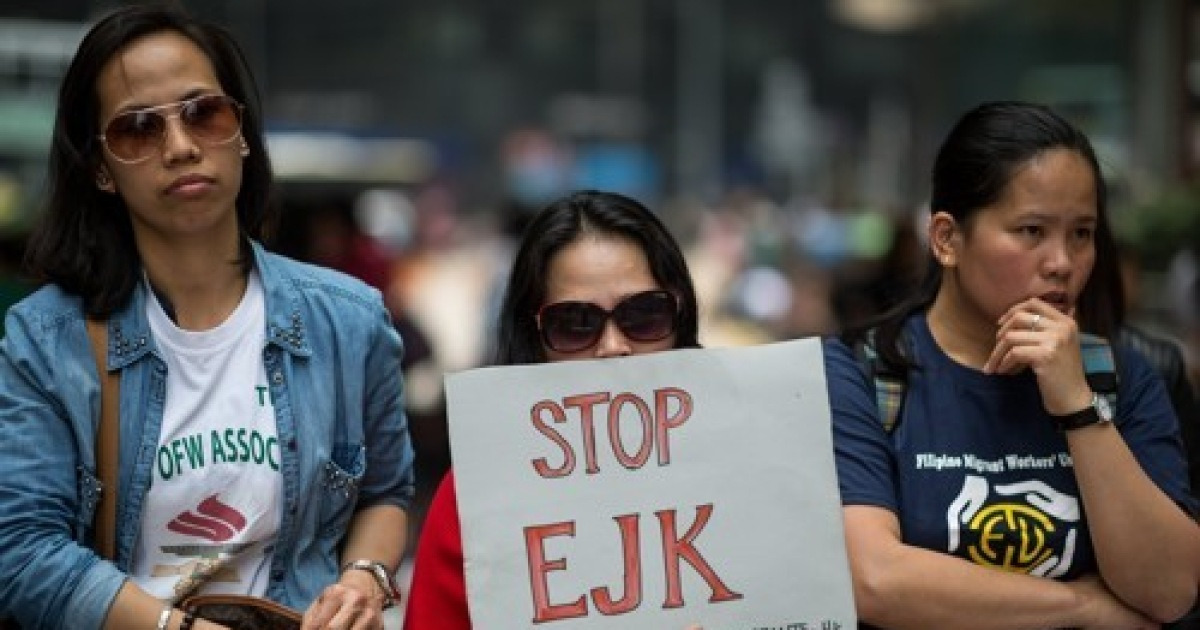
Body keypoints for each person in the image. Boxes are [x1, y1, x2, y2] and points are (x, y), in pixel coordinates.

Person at [0, 5, 413, 630]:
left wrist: (364, 578)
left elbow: (385, 494)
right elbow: (22, 553)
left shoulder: (349, 319)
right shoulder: (47, 341)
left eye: (205, 112)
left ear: (241, 131)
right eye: (138, 128)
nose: (182, 146)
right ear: (101, 168)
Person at [827, 101, 1200, 628]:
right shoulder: (861, 373)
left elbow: (1170, 591)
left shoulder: (1123, 375)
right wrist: (1083, 607)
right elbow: (877, 580)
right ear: (947, 239)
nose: (1063, 263)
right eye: (1031, 231)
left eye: (1082, 233)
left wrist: (1076, 406)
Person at [403, 190, 701, 629]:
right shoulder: (472, 498)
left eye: (644, 315)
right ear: (534, 336)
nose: (613, 347)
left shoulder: (752, 461)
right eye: (576, 323)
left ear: (680, 315)